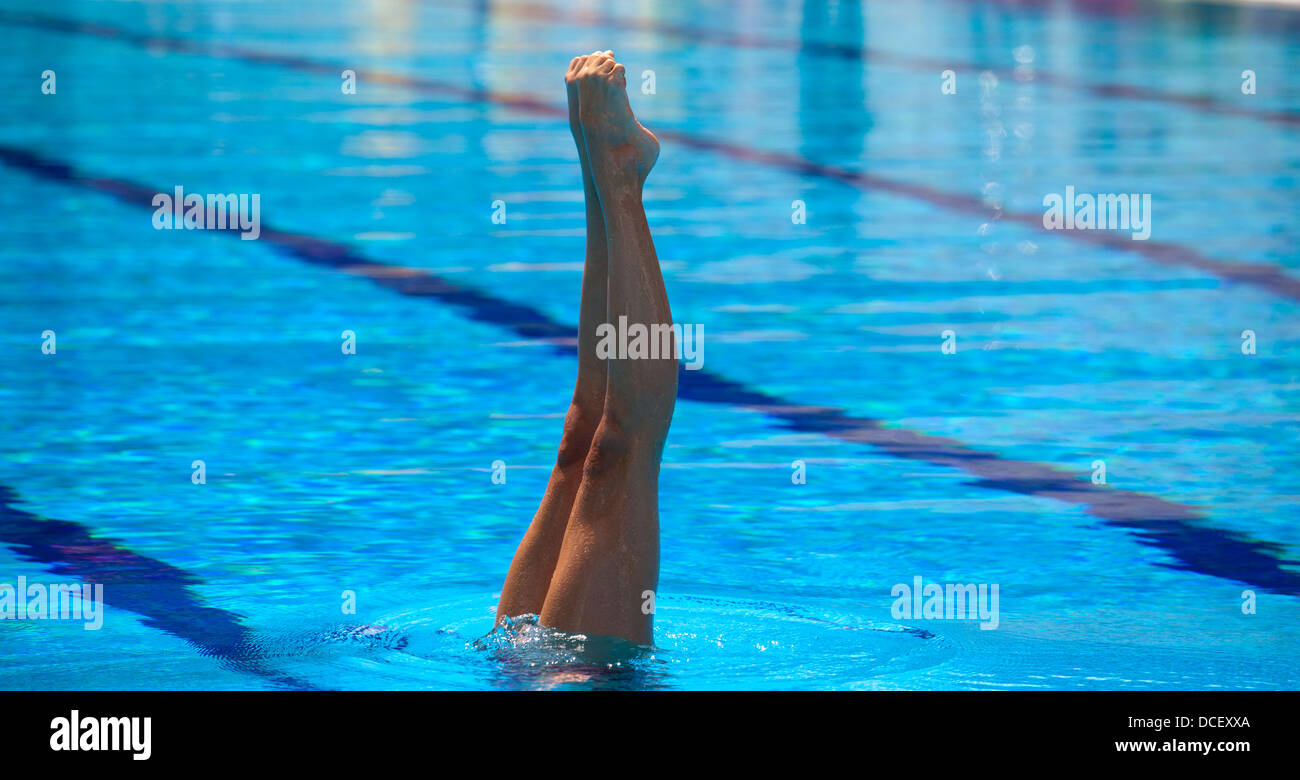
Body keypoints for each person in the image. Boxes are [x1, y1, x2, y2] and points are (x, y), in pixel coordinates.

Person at [494, 51, 675, 645]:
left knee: (583, 435)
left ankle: (605, 166)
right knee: (617, 443)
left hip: (519, 669)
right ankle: (614, 175)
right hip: (592, 679)